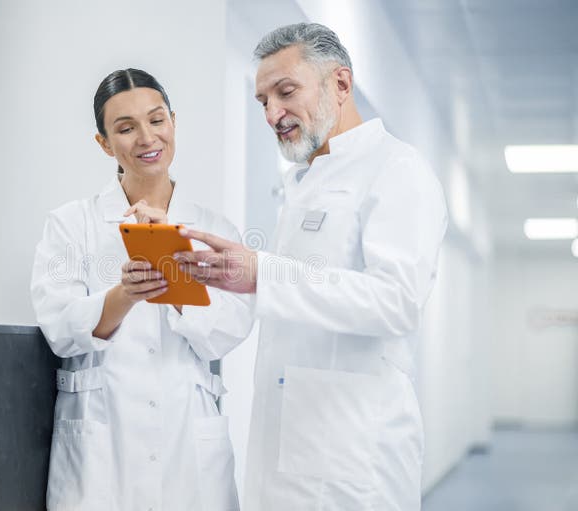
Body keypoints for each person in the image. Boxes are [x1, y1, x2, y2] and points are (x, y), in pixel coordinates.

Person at [174, 23, 448, 510]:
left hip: (351, 454)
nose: (272, 114)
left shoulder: (397, 170)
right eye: (263, 101)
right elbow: (294, 301)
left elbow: (396, 302)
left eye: (286, 92)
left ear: (340, 84)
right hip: (289, 444)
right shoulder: (304, 183)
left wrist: (264, 273)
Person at [30, 68, 251, 511]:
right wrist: (124, 296)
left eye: (156, 120)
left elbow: (227, 332)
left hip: (188, 449)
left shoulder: (213, 229)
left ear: (173, 121)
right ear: (104, 143)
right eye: (126, 128)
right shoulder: (71, 225)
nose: (147, 138)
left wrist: (172, 263)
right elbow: (60, 330)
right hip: (101, 452)